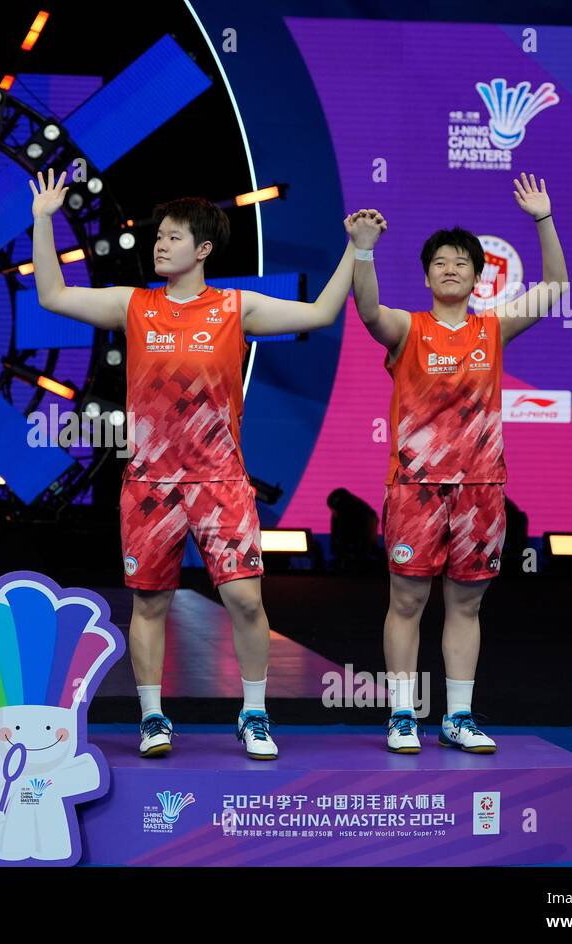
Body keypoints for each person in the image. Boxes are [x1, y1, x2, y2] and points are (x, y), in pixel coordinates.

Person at [29, 168, 358, 759]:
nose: (160, 243)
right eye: (159, 236)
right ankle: (153, 717)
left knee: (247, 601)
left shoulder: (237, 307)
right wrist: (44, 218)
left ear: (203, 249)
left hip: (220, 482)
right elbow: (53, 296)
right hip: (150, 483)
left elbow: (320, 315)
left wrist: (357, 253)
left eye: (174, 236)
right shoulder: (135, 306)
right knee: (150, 602)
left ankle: (254, 714)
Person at [346, 173, 567, 754]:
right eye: (440, 263)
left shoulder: (491, 331)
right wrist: (363, 249)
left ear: (477, 276)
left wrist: (543, 218)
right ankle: (401, 715)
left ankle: (460, 716)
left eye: (461, 263)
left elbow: (556, 288)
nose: (450, 269)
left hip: (481, 488)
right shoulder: (406, 329)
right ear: (427, 276)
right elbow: (367, 309)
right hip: (415, 489)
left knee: (466, 603)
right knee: (406, 601)